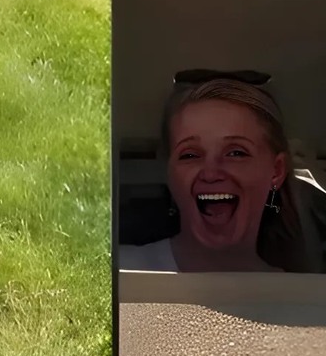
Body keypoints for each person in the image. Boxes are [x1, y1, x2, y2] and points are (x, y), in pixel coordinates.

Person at [119, 74, 311, 273]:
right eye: (190, 154)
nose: (211, 173)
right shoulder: (117, 273)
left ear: (277, 171)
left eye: (236, 153)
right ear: (169, 173)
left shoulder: (303, 297)